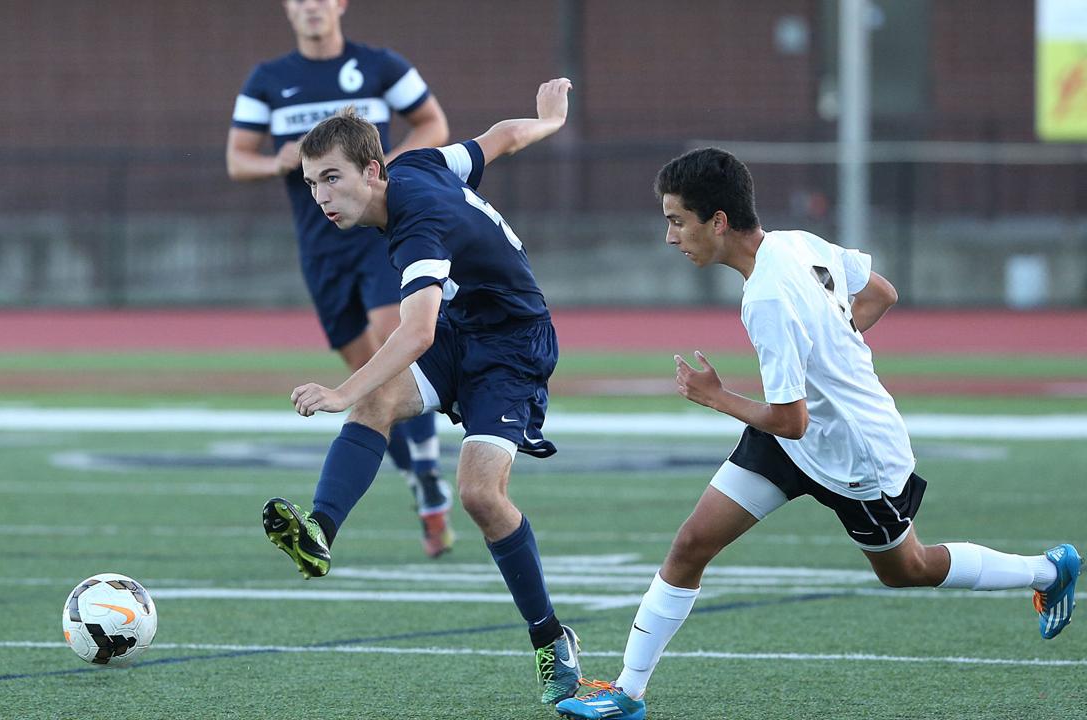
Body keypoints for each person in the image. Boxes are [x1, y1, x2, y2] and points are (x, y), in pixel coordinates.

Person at [555, 147, 1081, 720]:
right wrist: (835, 343)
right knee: (690, 546)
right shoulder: (798, 241)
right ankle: (628, 696)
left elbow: (791, 418)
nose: (670, 236)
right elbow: (881, 292)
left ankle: (1048, 568)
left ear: (719, 222)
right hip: (796, 443)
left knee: (909, 570)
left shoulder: (767, 298)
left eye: (677, 220)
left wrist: (717, 397)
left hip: (857, 457)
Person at [260, 78, 585, 706]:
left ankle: (551, 638)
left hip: (512, 349)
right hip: (465, 332)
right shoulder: (422, 163)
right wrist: (548, 120)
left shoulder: (417, 226)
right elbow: (501, 139)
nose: (320, 197)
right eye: (310, 185)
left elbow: (415, 332)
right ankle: (319, 533)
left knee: (479, 495)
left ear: (373, 170)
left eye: (331, 179)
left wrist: (338, 391)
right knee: (378, 404)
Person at [227, 0, 455, 557]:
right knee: (366, 373)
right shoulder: (269, 79)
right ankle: (418, 475)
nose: (311, 7)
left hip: (377, 236)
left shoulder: (379, 65)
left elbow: (434, 123)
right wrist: (278, 161)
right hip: (320, 251)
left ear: (339, 5)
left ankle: (428, 482)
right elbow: (237, 160)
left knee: (393, 347)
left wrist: (384, 172)